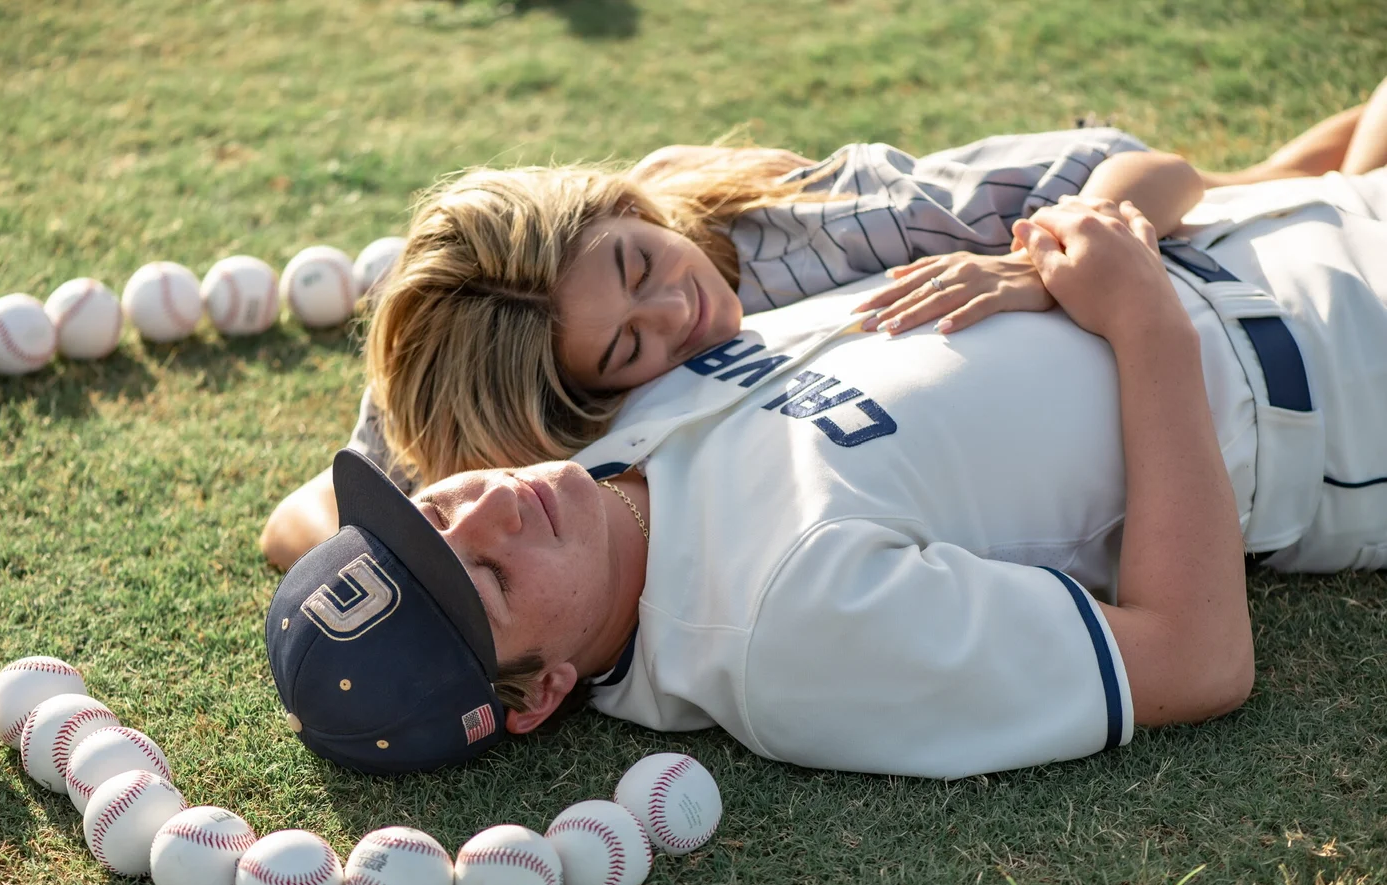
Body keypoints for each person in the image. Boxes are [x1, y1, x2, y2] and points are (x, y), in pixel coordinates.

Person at [263, 169, 1387, 778]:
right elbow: (1196, 659)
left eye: (435, 513)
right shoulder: (785, 633)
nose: (495, 509)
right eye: (488, 581)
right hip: (1342, 375)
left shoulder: (605, 420)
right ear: (546, 690)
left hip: (1266, 228)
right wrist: (1143, 321)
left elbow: (325, 498)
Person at [260, 84, 1387, 570]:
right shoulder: (510, 377)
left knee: (1270, 184)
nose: (676, 310)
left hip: (1205, 255)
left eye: (639, 262)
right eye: (629, 349)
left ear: (626, 205)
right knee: (1318, 177)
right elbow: (306, 516)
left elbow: (1154, 173)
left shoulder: (818, 231)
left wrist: (1030, 267)